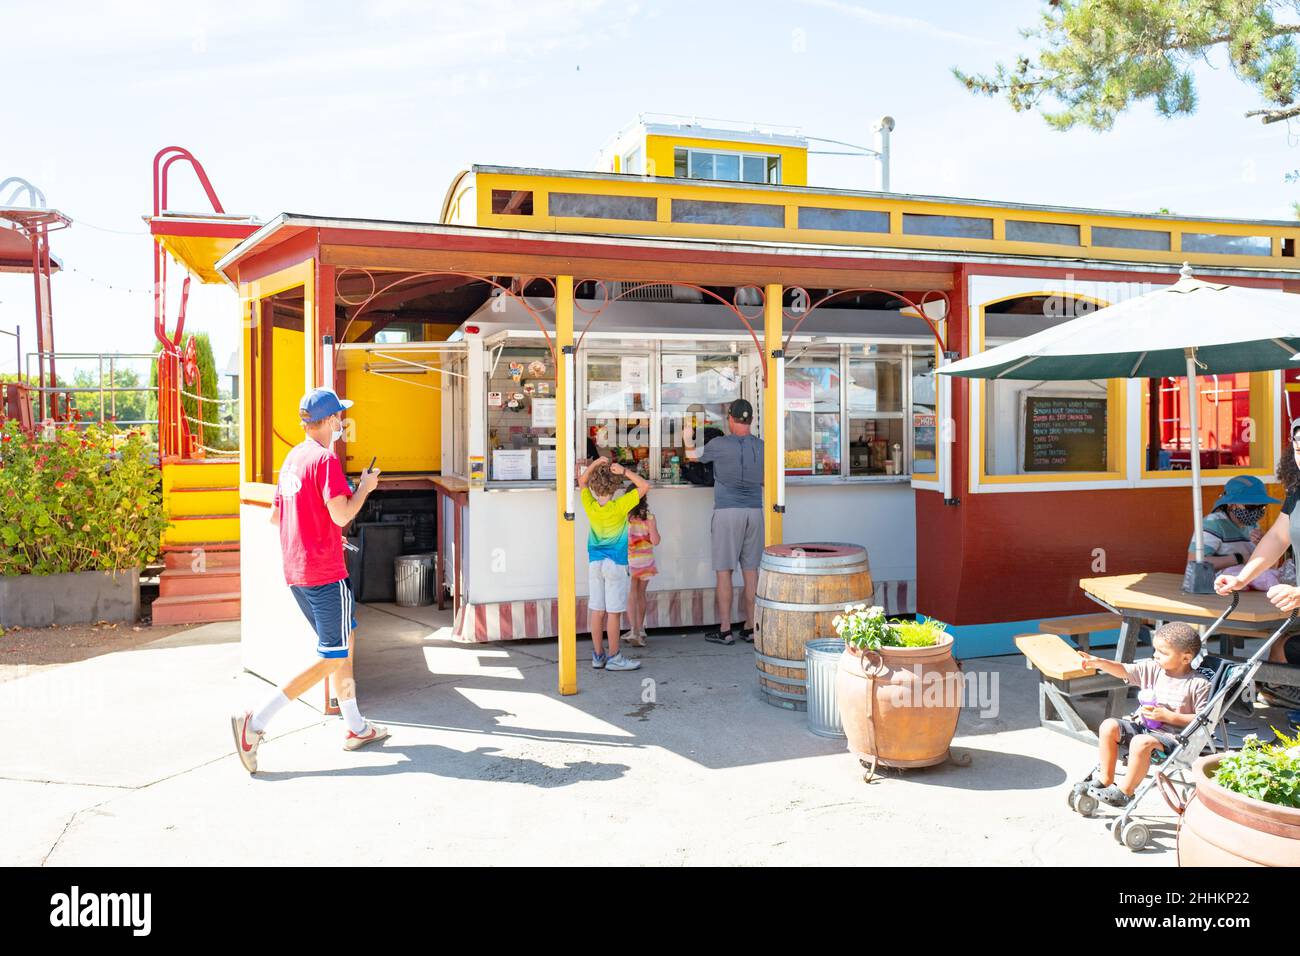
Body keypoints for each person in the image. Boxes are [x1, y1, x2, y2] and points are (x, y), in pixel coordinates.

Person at [230, 387, 388, 773]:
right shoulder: (325, 461)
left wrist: (320, 531)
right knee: (332, 655)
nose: (341, 424)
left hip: (298, 572)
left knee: (343, 643)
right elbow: (340, 515)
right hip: (325, 573)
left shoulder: (292, 460)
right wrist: (363, 488)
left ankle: (355, 727)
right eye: (340, 418)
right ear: (332, 421)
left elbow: (276, 517)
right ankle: (256, 723)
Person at [1075, 622, 1210, 808]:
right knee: (1109, 726)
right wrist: (1099, 662)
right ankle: (1105, 779)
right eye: (1155, 650)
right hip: (1144, 728)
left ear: (1186, 658)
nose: (1156, 655)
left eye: (1163, 652)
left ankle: (1124, 793)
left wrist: (1168, 717)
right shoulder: (1153, 669)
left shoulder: (1198, 684)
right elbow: (1123, 669)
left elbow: (1203, 720)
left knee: (1140, 741)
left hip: (1174, 739)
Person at [1215, 418, 1300, 708]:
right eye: (1299, 448)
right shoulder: (1298, 492)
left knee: (1283, 651)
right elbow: (1278, 536)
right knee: (1280, 650)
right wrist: (1243, 578)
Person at [699, 398, 764, 646]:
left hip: (727, 512)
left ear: (730, 419)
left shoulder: (719, 444)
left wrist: (686, 435)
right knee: (751, 573)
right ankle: (752, 627)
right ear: (751, 420)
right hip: (755, 512)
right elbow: (767, 480)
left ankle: (725, 629)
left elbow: (693, 456)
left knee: (724, 572)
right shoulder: (762, 446)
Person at [579, 456, 647, 671]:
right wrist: (624, 471)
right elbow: (644, 485)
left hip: (595, 564)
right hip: (615, 565)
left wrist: (596, 463)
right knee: (613, 612)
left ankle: (598, 656)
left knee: (598, 611)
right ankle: (615, 657)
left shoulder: (590, 505)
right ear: (615, 485)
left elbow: (581, 481)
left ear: (594, 485)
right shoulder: (620, 506)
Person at [1187, 475, 1277, 572]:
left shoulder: (1254, 526)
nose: (1256, 511)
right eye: (1251, 506)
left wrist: (1265, 545)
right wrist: (1239, 558)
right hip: (1216, 585)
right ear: (1231, 504)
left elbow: (1272, 566)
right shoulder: (1213, 525)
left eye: (1262, 506)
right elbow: (1194, 563)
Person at [624, 496, 660, 647]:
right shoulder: (650, 517)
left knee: (633, 592)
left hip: (632, 560)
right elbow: (656, 541)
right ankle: (640, 629)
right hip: (646, 561)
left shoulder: (626, 517)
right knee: (641, 594)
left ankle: (634, 630)